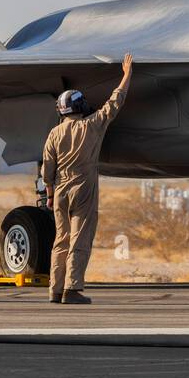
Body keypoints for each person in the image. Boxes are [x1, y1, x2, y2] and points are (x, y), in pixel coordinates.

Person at [42, 55, 133, 304]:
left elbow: (46, 170)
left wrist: (49, 195)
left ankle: (55, 290)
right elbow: (114, 103)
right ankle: (72, 290)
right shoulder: (92, 126)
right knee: (79, 239)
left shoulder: (54, 133)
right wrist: (126, 75)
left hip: (59, 191)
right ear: (80, 107)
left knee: (60, 241)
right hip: (83, 188)